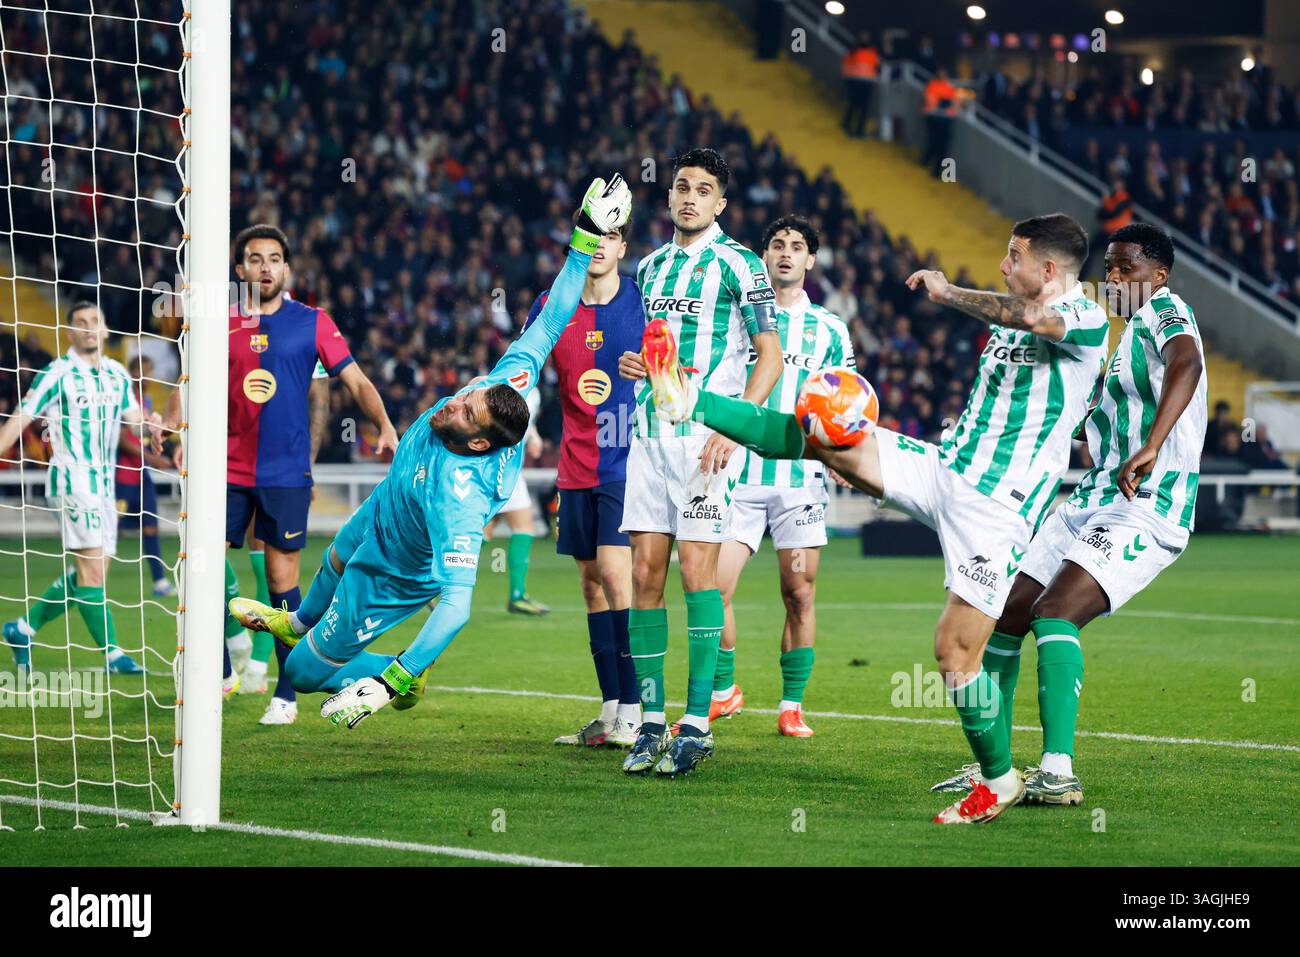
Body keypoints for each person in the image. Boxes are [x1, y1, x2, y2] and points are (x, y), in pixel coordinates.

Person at [646, 213, 1111, 823]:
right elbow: (1019, 314)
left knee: (953, 654)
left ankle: (1000, 780)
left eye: (1014, 256)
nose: (1003, 264)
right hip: (946, 468)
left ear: (1049, 269)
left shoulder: (1087, 316)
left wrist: (949, 294)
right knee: (822, 438)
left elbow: (1030, 317)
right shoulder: (1020, 309)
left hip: (996, 508)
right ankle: (689, 401)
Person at [227, 176, 631, 729]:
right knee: (335, 555)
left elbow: (456, 608)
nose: (455, 403)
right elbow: (557, 312)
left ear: (480, 443)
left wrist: (389, 683)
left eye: (466, 413)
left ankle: (393, 675)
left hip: (397, 565)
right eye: (469, 395)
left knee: (300, 671)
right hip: (387, 502)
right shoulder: (503, 387)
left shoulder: (460, 498)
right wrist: (585, 235)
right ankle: (295, 621)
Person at [935, 223, 1207, 806]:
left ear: (1157, 276)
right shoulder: (1118, 337)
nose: (1112, 279)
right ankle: (994, 766)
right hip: (1092, 498)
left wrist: (1153, 443)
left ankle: (1058, 769)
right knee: (1006, 612)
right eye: (1107, 268)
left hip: (1149, 504)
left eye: (1125, 269)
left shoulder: (1166, 311)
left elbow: (1187, 366)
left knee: (1054, 612)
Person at [180, 224, 398, 723]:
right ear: (240, 270)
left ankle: (286, 692)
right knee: (203, 569)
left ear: (286, 267)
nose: (265, 268)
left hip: (285, 474)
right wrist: (171, 426)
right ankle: (218, 672)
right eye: (255, 260)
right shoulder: (220, 321)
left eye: (274, 259)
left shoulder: (313, 322)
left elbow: (355, 379)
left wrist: (383, 423)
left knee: (283, 583)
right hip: (225, 469)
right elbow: (188, 380)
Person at [615, 147, 784, 778]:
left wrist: (736, 429)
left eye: (703, 189)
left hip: (707, 440)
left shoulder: (741, 264)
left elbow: (769, 356)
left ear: (720, 203)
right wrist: (638, 365)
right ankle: (652, 722)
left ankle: (696, 723)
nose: (689, 196)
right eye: (681, 186)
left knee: (696, 574)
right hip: (649, 436)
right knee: (646, 576)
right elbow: (658, 351)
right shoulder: (652, 268)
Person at [680, 215, 853, 738]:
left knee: (799, 593)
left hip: (799, 478)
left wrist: (846, 454)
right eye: (776, 245)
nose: (785, 254)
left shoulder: (830, 329)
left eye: (796, 247)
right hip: (737, 473)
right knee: (713, 585)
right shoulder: (738, 319)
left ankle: (791, 705)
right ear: (763, 257)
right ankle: (725, 690)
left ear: (810, 260)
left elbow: (845, 396)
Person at [2, 303, 163, 672]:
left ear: (106, 330)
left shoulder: (118, 373)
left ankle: (22, 628)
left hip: (105, 486)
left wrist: (151, 424)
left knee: (90, 576)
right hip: (72, 480)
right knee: (91, 575)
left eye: (95, 322)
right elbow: (22, 415)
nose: (89, 329)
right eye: (80, 324)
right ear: (70, 332)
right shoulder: (56, 373)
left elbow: (134, 424)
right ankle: (114, 654)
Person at [535, 212, 644, 749]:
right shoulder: (553, 304)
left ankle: (635, 707)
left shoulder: (643, 302)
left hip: (628, 461)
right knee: (590, 585)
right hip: (575, 464)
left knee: (616, 576)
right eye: (589, 235)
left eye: (609, 235)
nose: (599, 245)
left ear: (622, 246)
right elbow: (526, 365)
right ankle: (610, 709)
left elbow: (674, 371)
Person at [115, 355, 174, 598]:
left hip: (142, 478)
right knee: (109, 531)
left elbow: (143, 437)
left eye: (149, 370)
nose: (146, 375)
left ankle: (160, 581)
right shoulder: (124, 400)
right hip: (122, 477)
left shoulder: (146, 400)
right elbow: (122, 439)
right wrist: (152, 459)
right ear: (131, 372)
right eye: (141, 370)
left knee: (151, 529)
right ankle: (82, 575)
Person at [487, 388, 549, 615]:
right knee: (513, 527)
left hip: (511, 467)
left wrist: (533, 436)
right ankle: (429, 584)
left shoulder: (534, 390)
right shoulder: (514, 380)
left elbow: (524, 419)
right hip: (500, 465)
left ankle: (430, 585)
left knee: (486, 530)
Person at [841, 31, 881, 138]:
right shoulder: (854, 50)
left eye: (866, 36)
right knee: (853, 105)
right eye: (863, 36)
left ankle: (859, 129)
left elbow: (877, 67)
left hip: (867, 83)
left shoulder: (873, 52)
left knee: (864, 108)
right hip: (855, 81)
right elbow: (846, 64)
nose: (865, 39)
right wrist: (847, 79)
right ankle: (846, 125)